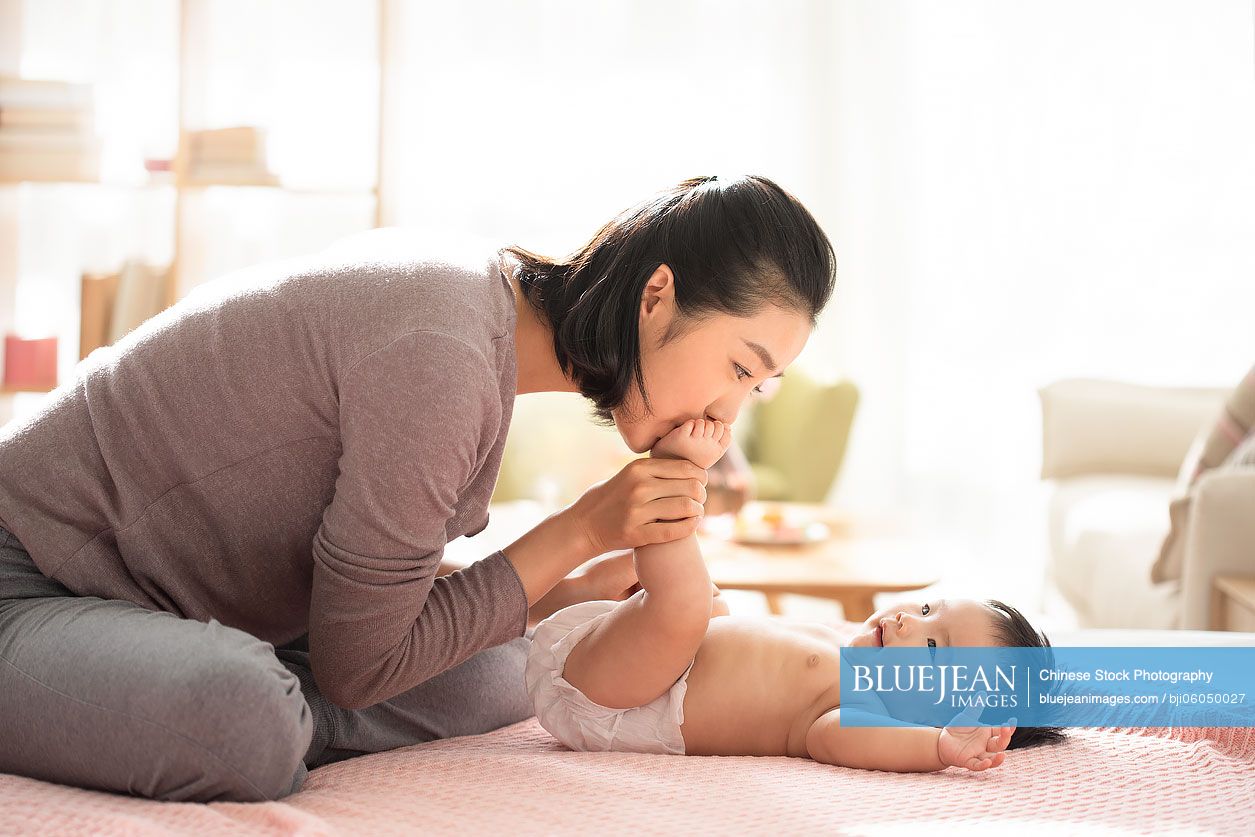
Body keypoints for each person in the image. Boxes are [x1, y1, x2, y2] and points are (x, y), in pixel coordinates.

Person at [0, 174, 837, 801]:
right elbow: (363, 667)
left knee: (511, 672)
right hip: (30, 577)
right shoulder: (439, 353)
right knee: (244, 718)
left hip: (182, 607)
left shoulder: (476, 318)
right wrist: (577, 531)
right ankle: (255, 699)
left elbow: (368, 581)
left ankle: (227, 691)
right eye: (738, 368)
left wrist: (555, 593)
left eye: (754, 390)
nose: (727, 416)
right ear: (658, 296)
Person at [526, 419, 1069, 771]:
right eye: (929, 611)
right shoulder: (843, 652)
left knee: (685, 603)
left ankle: (674, 475)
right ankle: (609, 574)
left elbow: (846, 743)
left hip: (625, 697)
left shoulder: (856, 710)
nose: (909, 623)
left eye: (933, 651)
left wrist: (940, 751)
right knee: (706, 604)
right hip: (624, 654)